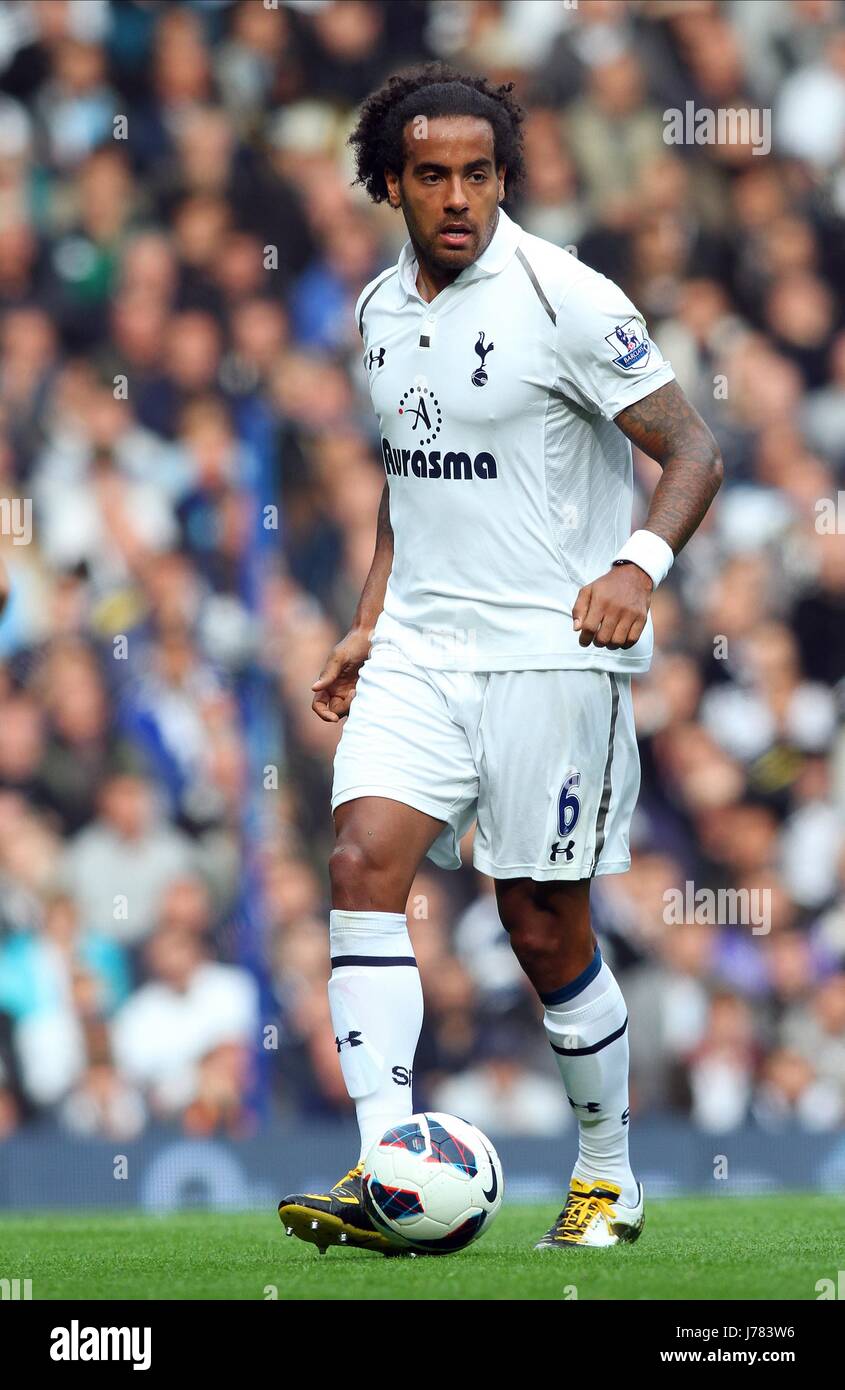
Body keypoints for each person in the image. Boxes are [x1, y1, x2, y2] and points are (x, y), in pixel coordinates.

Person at [278, 63, 723, 1253]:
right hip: (421, 649)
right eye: (432, 176)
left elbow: (690, 449)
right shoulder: (378, 311)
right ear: (389, 184)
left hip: (547, 658)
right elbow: (404, 478)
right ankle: (383, 1161)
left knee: (538, 927)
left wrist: (636, 566)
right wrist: (371, 618)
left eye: (478, 173)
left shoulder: (566, 297)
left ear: (502, 178)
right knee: (361, 860)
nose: (459, 196)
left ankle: (605, 1174)